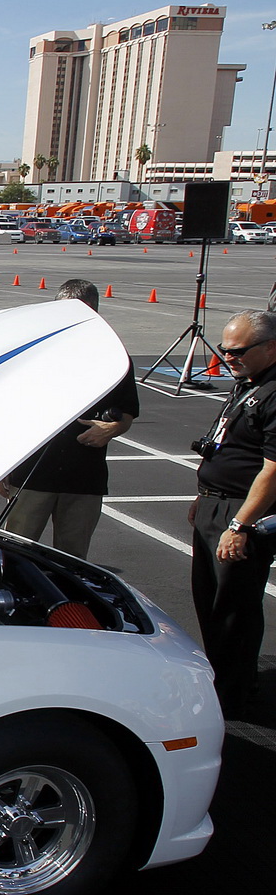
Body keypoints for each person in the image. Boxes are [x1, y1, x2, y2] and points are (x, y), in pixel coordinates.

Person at [0, 279, 138, 559]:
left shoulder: (114, 357)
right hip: (32, 475)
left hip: (83, 478)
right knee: (16, 556)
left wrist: (111, 428)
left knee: (73, 561)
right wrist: (1, 466)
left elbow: (128, 412)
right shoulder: (32, 354)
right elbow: (6, 412)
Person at [189, 308, 276, 719]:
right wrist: (203, 494)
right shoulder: (247, 383)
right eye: (224, 349)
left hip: (240, 513)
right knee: (209, 601)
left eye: (238, 350)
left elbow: (272, 470)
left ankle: (233, 694)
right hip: (215, 502)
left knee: (234, 609)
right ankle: (222, 679)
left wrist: (240, 523)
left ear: (271, 347)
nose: (227, 357)